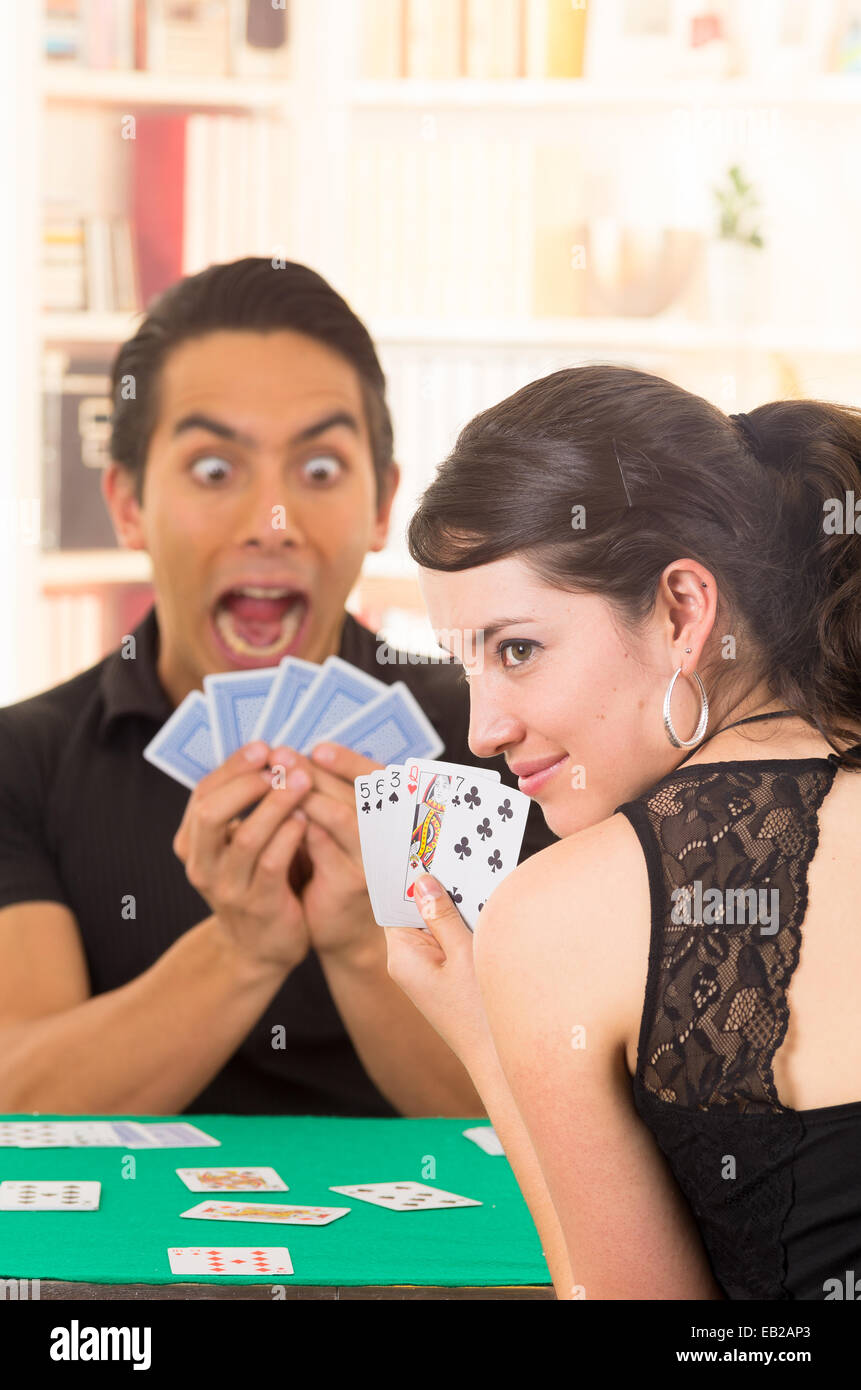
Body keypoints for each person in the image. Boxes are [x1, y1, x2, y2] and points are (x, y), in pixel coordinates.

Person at [0, 257, 554, 1120]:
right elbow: (19, 1102)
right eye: (215, 470)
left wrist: (364, 942)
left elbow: (552, 1127)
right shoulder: (21, 762)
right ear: (128, 502)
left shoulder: (501, 740)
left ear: (383, 508)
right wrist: (241, 951)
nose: (272, 524)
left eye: (320, 470)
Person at [384, 363, 861, 1300]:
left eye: (516, 649)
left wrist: (490, 1042)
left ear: (684, 612)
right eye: (467, 666)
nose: (483, 732)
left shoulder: (557, 920)